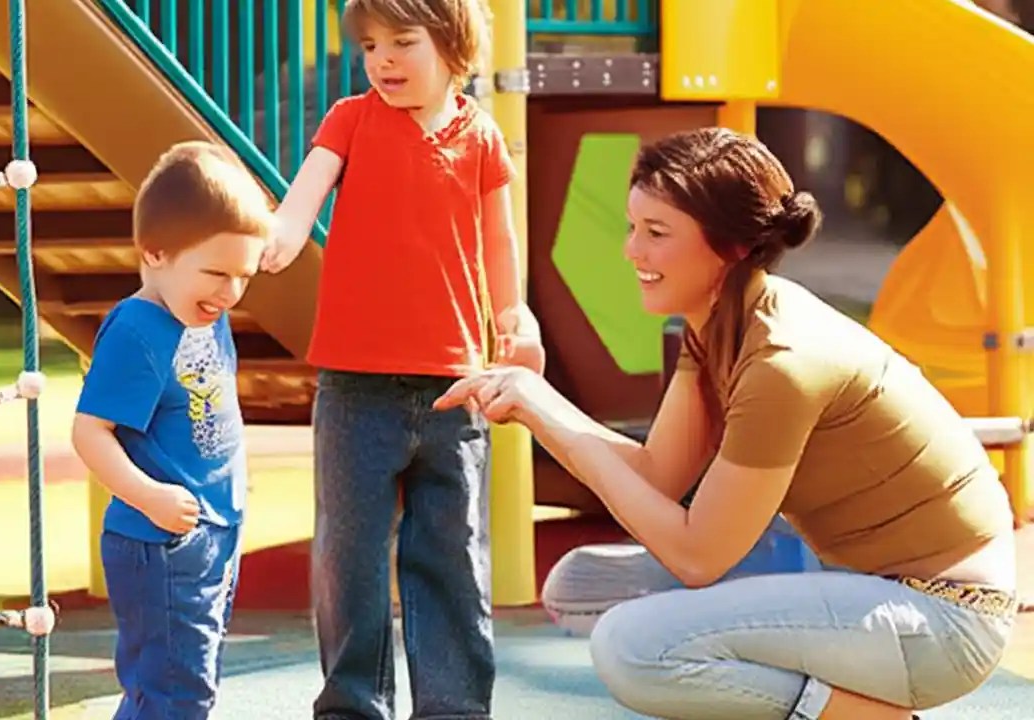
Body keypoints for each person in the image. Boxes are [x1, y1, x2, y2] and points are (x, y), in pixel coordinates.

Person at [434, 127, 1018, 720]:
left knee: (634, 647)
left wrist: (539, 409)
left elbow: (697, 556)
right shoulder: (721, 323)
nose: (632, 251)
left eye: (657, 234)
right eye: (634, 227)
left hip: (945, 618)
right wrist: (537, 400)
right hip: (866, 586)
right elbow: (657, 476)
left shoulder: (782, 364)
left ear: (732, 248)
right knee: (582, 593)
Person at [259, 0, 544, 717]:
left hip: (454, 385)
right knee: (347, 561)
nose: (381, 59)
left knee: (451, 559)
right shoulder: (352, 119)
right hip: (355, 387)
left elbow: (498, 240)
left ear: (452, 47)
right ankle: (353, 704)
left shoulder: (480, 135)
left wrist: (512, 310)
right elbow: (310, 187)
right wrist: (285, 231)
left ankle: (454, 706)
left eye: (401, 43)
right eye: (371, 46)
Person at [70, 140, 272, 719]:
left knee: (184, 682)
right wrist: (150, 497)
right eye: (216, 273)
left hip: (212, 531)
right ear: (154, 253)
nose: (230, 292)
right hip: (162, 543)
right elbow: (90, 432)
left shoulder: (206, 310)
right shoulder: (138, 331)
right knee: (174, 691)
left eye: (243, 276)